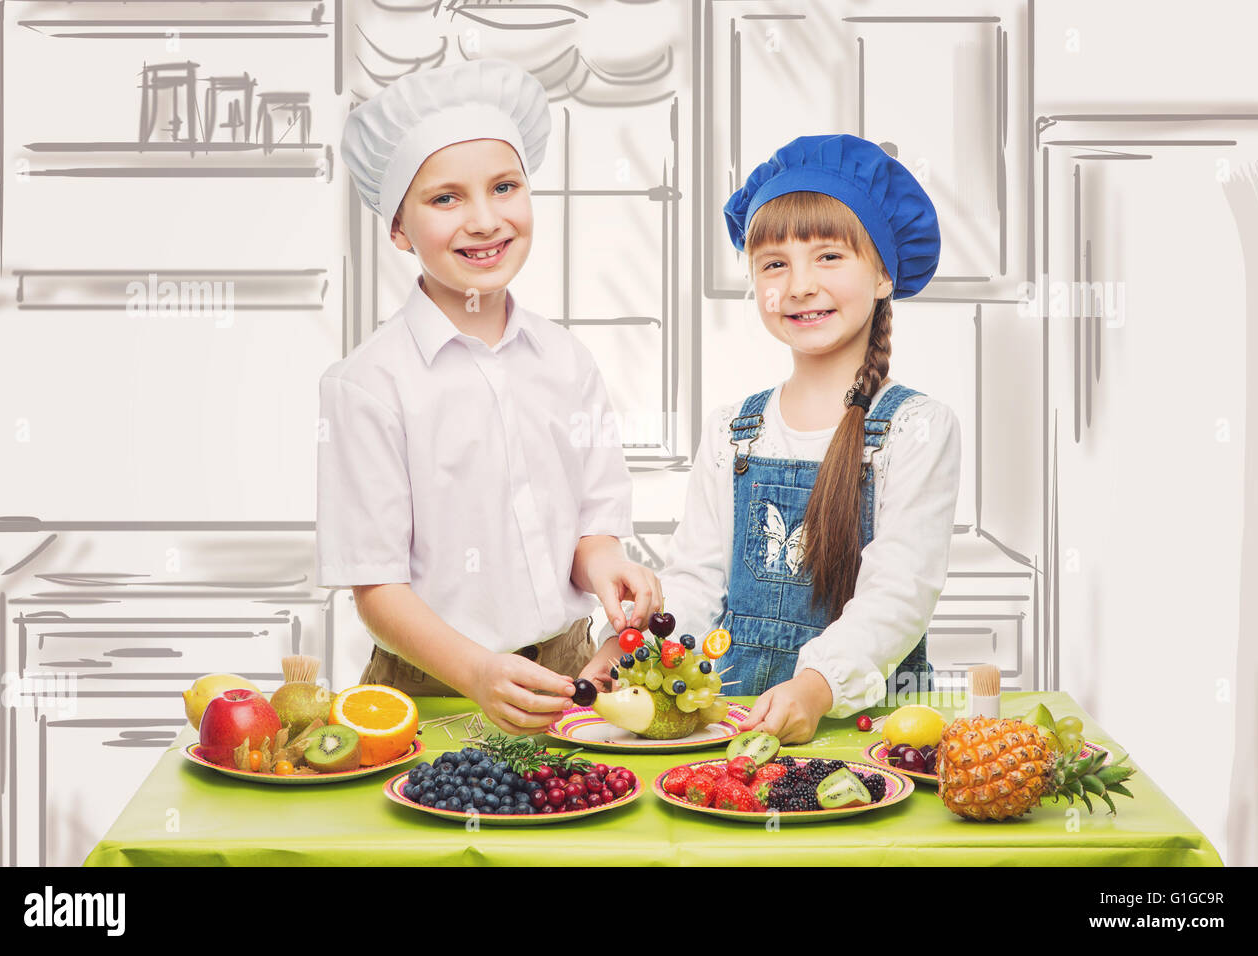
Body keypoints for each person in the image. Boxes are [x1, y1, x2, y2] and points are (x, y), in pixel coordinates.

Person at [318, 58, 661, 736]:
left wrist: (609, 569)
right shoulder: (368, 385)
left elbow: (591, 526)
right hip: (433, 687)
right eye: (445, 199)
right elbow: (376, 587)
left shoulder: (567, 361)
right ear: (398, 228)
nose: (483, 220)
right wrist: (476, 671)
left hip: (571, 672)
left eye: (504, 187)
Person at [579, 134, 960, 744]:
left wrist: (816, 687)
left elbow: (898, 594)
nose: (800, 285)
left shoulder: (915, 428)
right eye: (775, 263)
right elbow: (698, 583)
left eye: (829, 257)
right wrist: (630, 658)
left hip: (862, 729)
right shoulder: (735, 429)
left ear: (885, 274)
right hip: (729, 722)